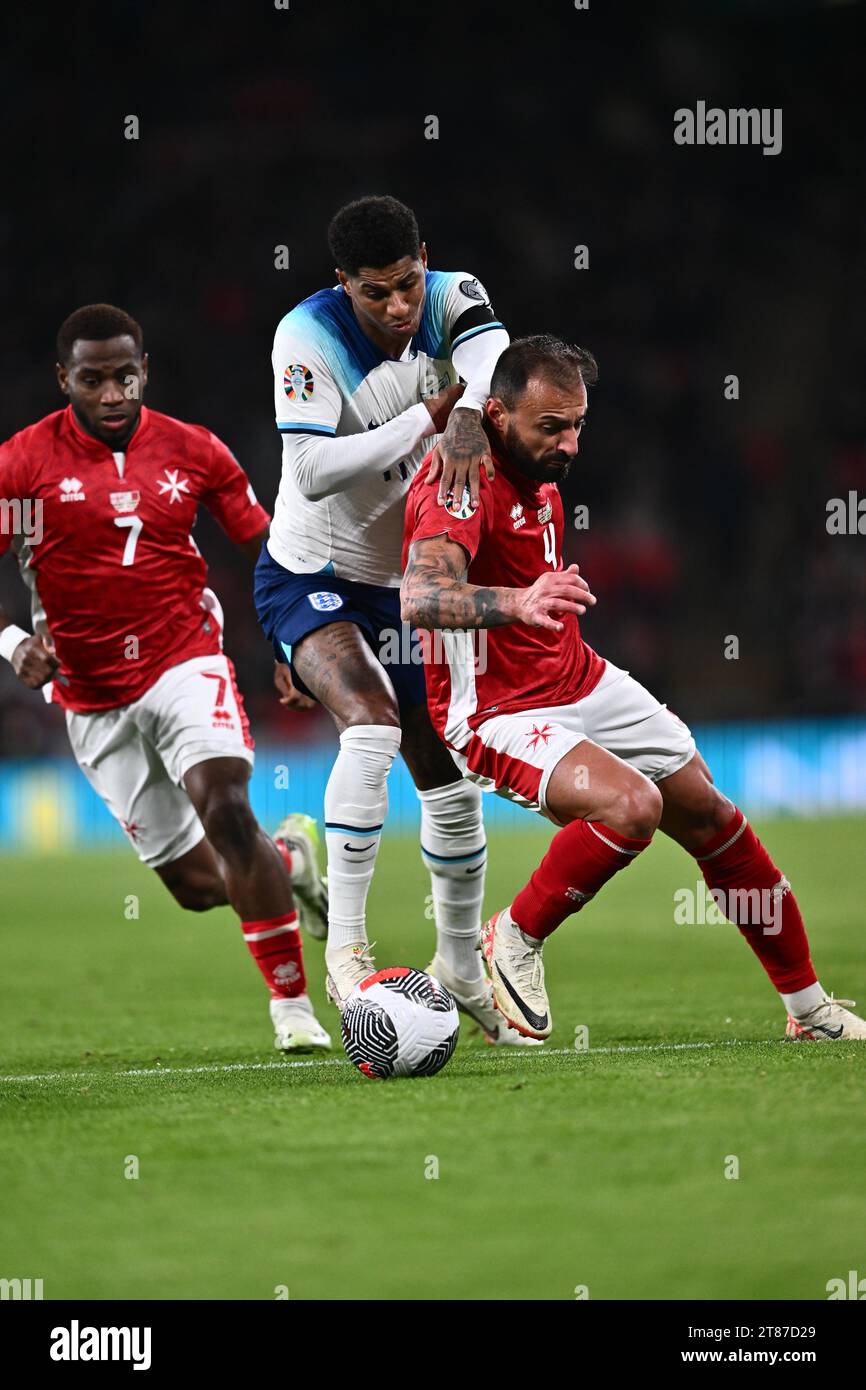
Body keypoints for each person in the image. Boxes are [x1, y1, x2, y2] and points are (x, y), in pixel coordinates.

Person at [401, 334, 866, 1042]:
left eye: (577, 425)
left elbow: (482, 345)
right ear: (497, 415)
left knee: (711, 814)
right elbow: (421, 598)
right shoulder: (457, 484)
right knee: (631, 808)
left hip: (578, 675)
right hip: (493, 709)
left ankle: (811, 1011)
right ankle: (512, 936)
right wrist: (518, 602)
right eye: (550, 427)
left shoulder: (532, 464)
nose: (569, 445)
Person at [0, 302, 331, 1053]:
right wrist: (12, 640)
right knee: (195, 886)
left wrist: (296, 640)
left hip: (184, 656)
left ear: (144, 370)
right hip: (88, 695)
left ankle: (292, 1008)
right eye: (94, 379)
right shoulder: (22, 464)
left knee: (224, 803)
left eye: (126, 375)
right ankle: (291, 863)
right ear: (65, 379)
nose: (113, 393)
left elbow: (268, 548)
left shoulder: (195, 451)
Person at [255, 194, 536, 1044]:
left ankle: (459, 963)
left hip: (402, 585)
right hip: (314, 573)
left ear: (426, 259)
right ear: (343, 284)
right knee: (371, 726)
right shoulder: (306, 337)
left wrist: (461, 413)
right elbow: (309, 470)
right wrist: (429, 416)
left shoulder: (456, 295)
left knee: (446, 778)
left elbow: (499, 364)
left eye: (407, 284)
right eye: (374, 293)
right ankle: (346, 953)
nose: (398, 306)